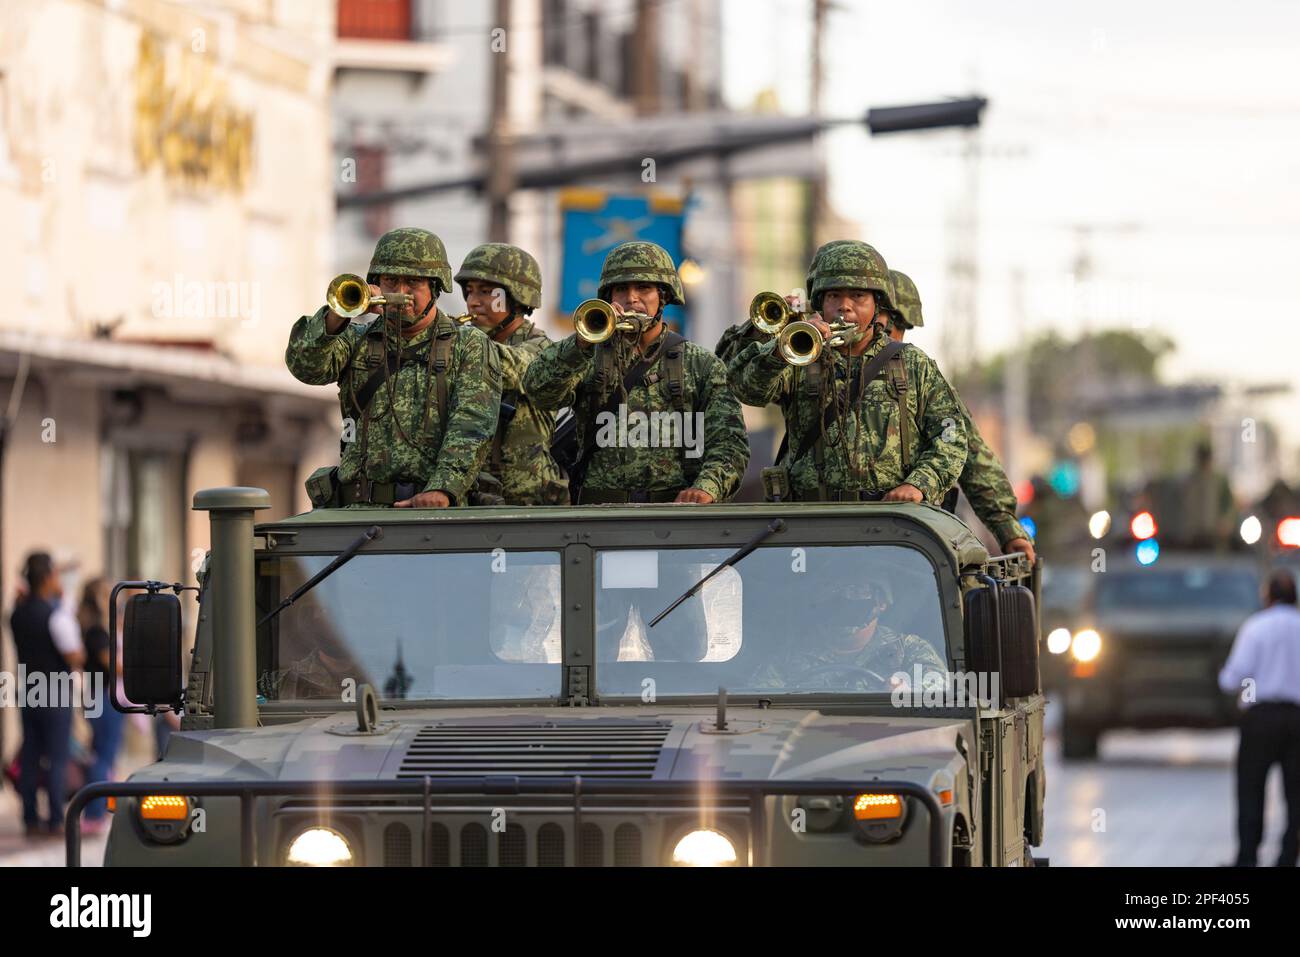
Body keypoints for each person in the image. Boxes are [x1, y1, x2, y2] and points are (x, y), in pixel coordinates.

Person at [727, 240, 967, 504]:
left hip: (888, 519)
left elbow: (950, 437)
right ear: (820, 302)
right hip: (808, 519)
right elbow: (747, 390)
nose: (845, 306)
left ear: (877, 303)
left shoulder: (912, 363)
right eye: (833, 296)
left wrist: (919, 484)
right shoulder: (798, 357)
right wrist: (781, 350)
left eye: (858, 296)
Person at [286, 227, 501, 508]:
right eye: (391, 281)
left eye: (413, 282)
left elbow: (471, 426)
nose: (400, 293)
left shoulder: (468, 344)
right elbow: (306, 366)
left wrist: (444, 489)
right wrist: (339, 314)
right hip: (358, 511)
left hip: (431, 511)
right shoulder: (356, 339)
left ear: (435, 287)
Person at [523, 240, 750, 504]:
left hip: (674, 515)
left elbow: (730, 444)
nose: (631, 298)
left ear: (663, 296)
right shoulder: (586, 356)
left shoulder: (701, 364)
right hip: (599, 516)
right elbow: (539, 392)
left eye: (643, 287)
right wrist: (581, 343)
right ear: (609, 297)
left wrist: (706, 488)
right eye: (621, 289)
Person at [880, 269, 1035, 562]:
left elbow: (971, 454)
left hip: (899, 531)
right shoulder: (813, 361)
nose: (888, 336)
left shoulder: (916, 374)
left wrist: (1007, 529)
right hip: (815, 529)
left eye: (895, 327)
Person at [454, 243, 568, 505]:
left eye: (485, 292)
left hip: (528, 501)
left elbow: (512, 367)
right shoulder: (463, 343)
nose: (473, 302)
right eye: (469, 292)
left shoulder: (543, 348)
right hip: (471, 497)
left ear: (517, 298)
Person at [1218, 568, 1300, 867]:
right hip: (1297, 717)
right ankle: (1288, 856)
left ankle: (1248, 857)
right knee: (1296, 795)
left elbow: (1235, 676)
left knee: (1251, 789)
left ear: (1267, 596)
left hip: (1261, 717)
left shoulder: (1256, 627)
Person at [751, 578, 946, 691]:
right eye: (834, 590)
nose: (845, 599)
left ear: (882, 603)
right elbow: (761, 702)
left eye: (858, 591)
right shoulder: (790, 657)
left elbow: (940, 689)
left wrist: (908, 691)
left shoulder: (909, 649)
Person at [10, 552, 85, 838]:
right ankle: (55, 819)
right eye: (54, 574)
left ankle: (29, 817)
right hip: (54, 691)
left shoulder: (16, 613)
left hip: (28, 689)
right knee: (57, 755)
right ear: (45, 578)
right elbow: (75, 655)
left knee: (30, 753)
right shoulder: (56, 616)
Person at [77, 577, 123, 832]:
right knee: (104, 755)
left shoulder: (95, 629)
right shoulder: (96, 631)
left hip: (98, 696)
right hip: (102, 697)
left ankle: (97, 812)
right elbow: (114, 665)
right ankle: (95, 813)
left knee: (102, 753)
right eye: (107, 591)